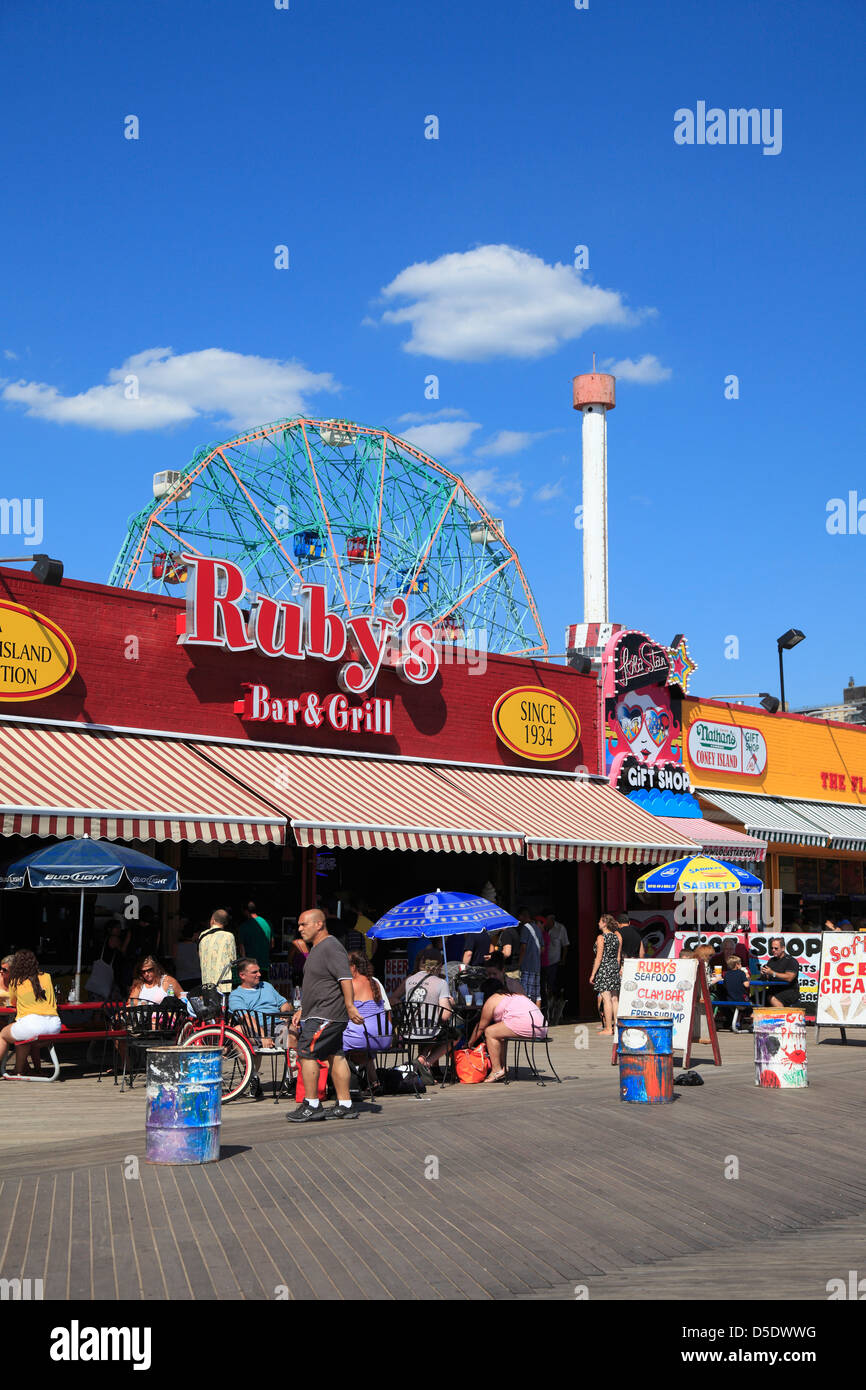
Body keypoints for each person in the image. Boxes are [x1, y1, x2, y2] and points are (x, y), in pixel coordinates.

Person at [286, 907, 363, 1122]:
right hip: (318, 1011)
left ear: (319, 924)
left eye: (304, 924)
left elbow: (345, 978)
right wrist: (303, 1009)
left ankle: (312, 1104)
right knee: (335, 1054)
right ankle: (346, 1104)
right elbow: (319, 984)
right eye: (299, 925)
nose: (299, 929)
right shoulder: (318, 948)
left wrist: (350, 1005)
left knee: (305, 1051)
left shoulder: (330, 946)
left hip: (327, 1013)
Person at [228, 957, 293, 1100]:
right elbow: (246, 1018)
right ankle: (253, 1078)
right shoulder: (236, 995)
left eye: (259, 971)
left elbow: (284, 1003)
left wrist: (285, 1012)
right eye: (254, 972)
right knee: (238, 1030)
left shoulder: (267, 986)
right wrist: (264, 1035)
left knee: (292, 1030)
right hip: (255, 1030)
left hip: (277, 1026)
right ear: (242, 976)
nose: (259, 974)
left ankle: (290, 1079)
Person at [390, 947, 454, 1083]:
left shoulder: (409, 980)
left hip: (409, 1029)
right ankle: (426, 1062)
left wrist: (407, 1007)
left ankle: (423, 1058)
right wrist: (448, 1001)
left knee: (431, 1027)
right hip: (429, 1030)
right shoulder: (441, 983)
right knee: (454, 1035)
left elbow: (392, 999)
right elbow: (445, 1015)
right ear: (439, 965)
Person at [467, 980, 547, 1083]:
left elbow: (481, 1027)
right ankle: (503, 1067)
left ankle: (496, 1070)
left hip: (527, 1025)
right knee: (499, 1033)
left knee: (490, 1032)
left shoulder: (492, 999)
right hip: (542, 1026)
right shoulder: (516, 995)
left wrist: (470, 1043)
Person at [0, 950, 62, 1077]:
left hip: (32, 1024)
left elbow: (13, 1001)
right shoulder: (47, 976)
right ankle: (19, 1070)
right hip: (54, 1026)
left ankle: (17, 1070)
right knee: (23, 1038)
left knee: (3, 1035)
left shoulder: (16, 981)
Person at [341, 952, 392, 1093]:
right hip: (382, 1036)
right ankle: (374, 1081)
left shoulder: (349, 984)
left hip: (362, 1037)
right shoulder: (375, 982)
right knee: (363, 1041)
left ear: (354, 967)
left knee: (332, 1042)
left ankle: (344, 1085)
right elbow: (388, 1010)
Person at [590, 915, 622, 1035]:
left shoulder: (601, 938)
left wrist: (593, 974)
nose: (598, 923)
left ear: (604, 923)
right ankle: (618, 1027)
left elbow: (599, 957)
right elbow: (618, 957)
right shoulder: (616, 937)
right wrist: (616, 968)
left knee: (606, 998)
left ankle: (608, 1028)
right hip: (614, 967)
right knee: (615, 999)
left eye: (599, 921)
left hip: (604, 968)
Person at [198, 909, 237, 995]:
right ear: (226, 923)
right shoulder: (229, 936)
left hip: (206, 984)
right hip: (223, 985)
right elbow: (233, 961)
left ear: (212, 920)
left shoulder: (202, 935)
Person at [715, 954, 752, 1031]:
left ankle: (736, 1022)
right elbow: (747, 985)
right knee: (752, 1005)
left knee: (738, 1007)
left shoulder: (726, 974)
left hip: (729, 1000)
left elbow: (724, 984)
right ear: (737, 965)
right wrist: (747, 977)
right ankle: (748, 1024)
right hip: (740, 1001)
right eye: (740, 963)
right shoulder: (741, 973)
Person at [760, 936, 800, 1006]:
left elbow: (789, 978)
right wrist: (764, 974)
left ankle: (783, 1016)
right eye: (772, 948)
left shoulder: (791, 961)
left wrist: (772, 973)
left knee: (772, 998)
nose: (773, 950)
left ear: (783, 948)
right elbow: (766, 978)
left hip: (789, 991)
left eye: (776, 948)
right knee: (752, 999)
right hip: (774, 990)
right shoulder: (771, 961)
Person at [540, 911, 569, 1002]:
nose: (545, 922)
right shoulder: (541, 928)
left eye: (546, 920)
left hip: (554, 962)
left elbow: (565, 945)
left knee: (552, 985)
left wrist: (563, 959)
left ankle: (551, 1007)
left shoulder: (560, 928)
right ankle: (546, 1006)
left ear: (552, 919)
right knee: (543, 986)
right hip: (542, 962)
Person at [240, 902, 272, 974]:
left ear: (245, 911)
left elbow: (242, 950)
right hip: (265, 964)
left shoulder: (243, 926)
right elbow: (272, 944)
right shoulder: (267, 923)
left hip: (250, 967)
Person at [519, 912, 544, 1007]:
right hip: (536, 966)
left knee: (525, 994)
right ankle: (538, 1018)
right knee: (536, 995)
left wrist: (520, 962)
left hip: (527, 965)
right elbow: (542, 948)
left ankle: (526, 1019)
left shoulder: (525, 928)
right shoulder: (538, 928)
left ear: (523, 917)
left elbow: (523, 947)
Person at [173, 923, 201, 992]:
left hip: (181, 978)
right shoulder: (197, 947)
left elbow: (174, 961)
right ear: (194, 934)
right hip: (196, 978)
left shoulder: (176, 946)